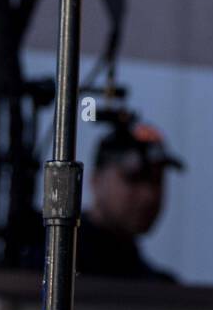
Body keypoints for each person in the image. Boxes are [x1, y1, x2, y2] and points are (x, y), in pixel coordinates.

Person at [76, 121, 183, 283]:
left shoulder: (156, 287)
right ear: (95, 180)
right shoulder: (51, 264)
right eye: (134, 178)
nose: (149, 195)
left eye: (156, 180)